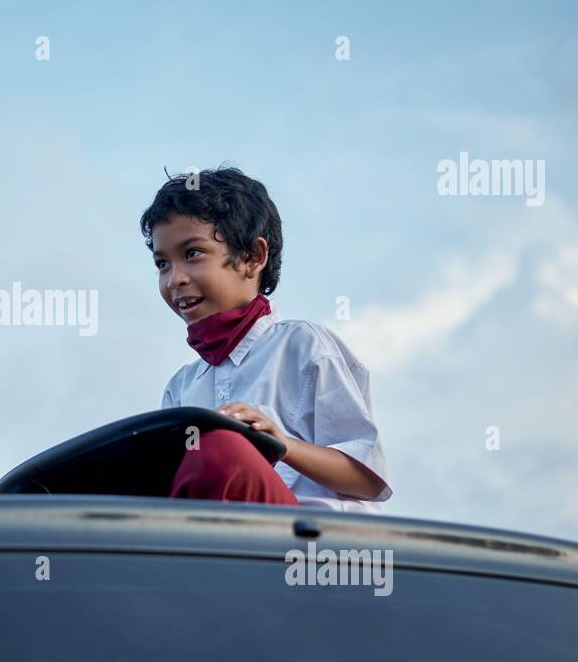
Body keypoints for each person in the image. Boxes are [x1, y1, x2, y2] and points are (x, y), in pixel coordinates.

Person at [141, 166, 391, 512]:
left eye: (193, 253)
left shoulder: (305, 347)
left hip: (307, 550)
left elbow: (368, 478)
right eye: (162, 263)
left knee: (220, 450)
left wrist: (281, 444)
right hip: (214, 551)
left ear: (253, 257)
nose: (175, 279)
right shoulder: (180, 387)